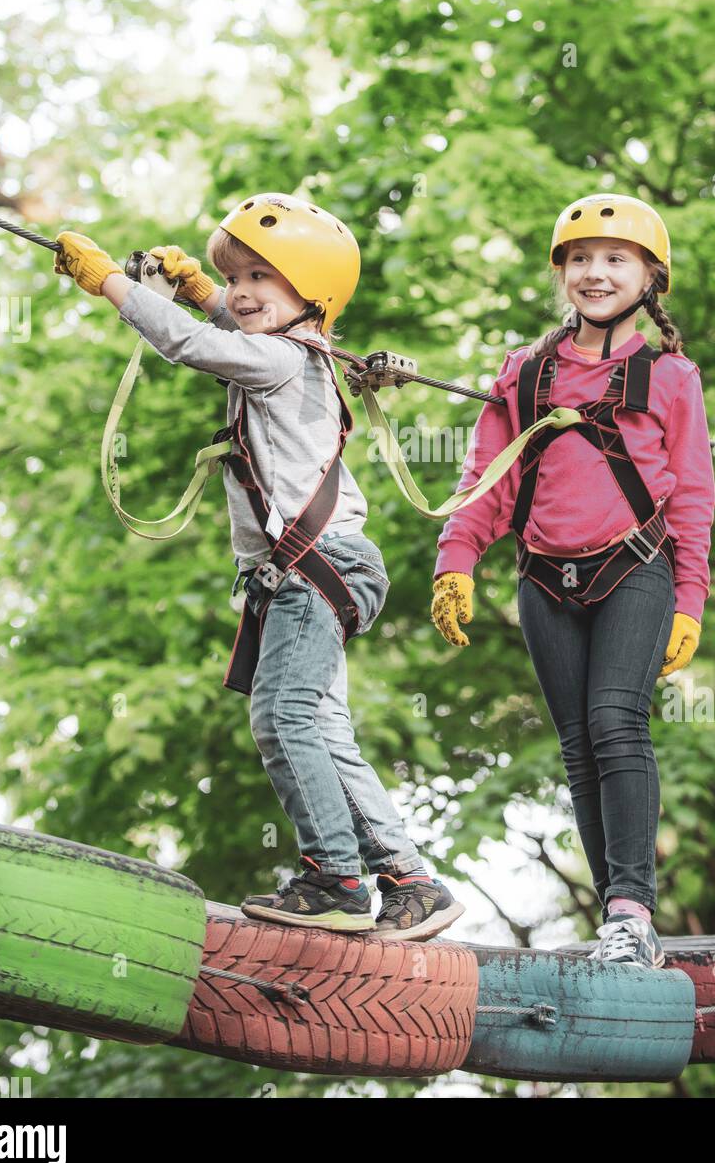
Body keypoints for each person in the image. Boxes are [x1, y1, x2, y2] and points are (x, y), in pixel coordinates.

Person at [54, 193, 464, 942]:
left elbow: (193, 346)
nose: (241, 293)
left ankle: (336, 879)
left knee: (283, 716)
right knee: (323, 731)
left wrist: (113, 284)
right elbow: (235, 327)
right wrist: (201, 289)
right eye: (233, 277)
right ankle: (409, 882)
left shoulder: (279, 359)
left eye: (260, 278)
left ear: (313, 295)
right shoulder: (290, 352)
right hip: (312, 571)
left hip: (317, 567)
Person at [430, 194, 715, 969]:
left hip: (636, 568)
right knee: (577, 747)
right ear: (561, 274)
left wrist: (689, 597)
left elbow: (691, 494)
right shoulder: (524, 373)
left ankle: (631, 910)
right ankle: (615, 919)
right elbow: (485, 475)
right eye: (579, 259)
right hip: (544, 578)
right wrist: (457, 558)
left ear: (650, 277)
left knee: (616, 722)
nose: (595, 272)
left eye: (615, 258)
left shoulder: (669, 377)